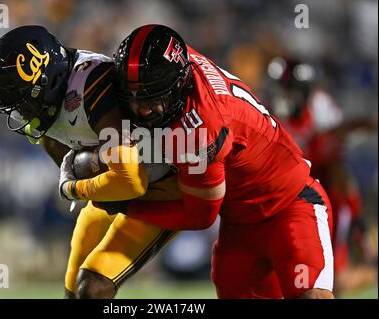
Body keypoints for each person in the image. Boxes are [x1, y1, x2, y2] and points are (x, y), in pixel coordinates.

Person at [110, 24, 335, 299]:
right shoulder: (177, 63)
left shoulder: (202, 127)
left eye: (151, 97)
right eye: (131, 97)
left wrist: (128, 206)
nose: (140, 109)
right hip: (239, 224)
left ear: (177, 84)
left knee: (311, 297)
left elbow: (200, 216)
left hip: (289, 206)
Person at [0, 25, 180, 299]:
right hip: (122, 186)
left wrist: (71, 189)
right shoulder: (45, 104)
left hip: (164, 186)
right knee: (73, 293)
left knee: (92, 288)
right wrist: (92, 183)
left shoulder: (91, 83)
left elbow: (131, 181)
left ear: (46, 81)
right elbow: (55, 141)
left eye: (22, 104)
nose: (20, 114)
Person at [266, 56, 377, 294]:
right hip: (288, 201)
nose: (284, 96)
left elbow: (338, 169)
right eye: (282, 89)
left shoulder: (321, 114)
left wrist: (358, 221)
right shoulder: (273, 115)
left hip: (326, 203)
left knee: (333, 283)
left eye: (290, 90)